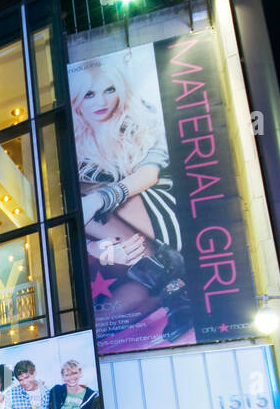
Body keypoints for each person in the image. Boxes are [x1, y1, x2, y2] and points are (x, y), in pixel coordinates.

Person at [68, 55, 192, 348]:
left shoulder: (144, 119)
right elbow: (68, 226)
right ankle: (171, 287)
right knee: (108, 315)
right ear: (77, 102)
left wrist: (99, 199)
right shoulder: (76, 145)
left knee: (84, 195)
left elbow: (149, 174)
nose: (102, 101)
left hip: (164, 209)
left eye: (110, 90)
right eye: (89, 94)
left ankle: (170, 282)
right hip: (134, 248)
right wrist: (99, 250)